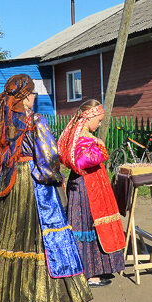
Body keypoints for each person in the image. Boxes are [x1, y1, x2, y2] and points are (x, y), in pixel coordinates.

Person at [0, 74, 91, 302]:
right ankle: (39, 298)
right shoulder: (36, 121)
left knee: (3, 236)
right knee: (37, 236)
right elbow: (48, 157)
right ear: (26, 98)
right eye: (33, 94)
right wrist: (54, 176)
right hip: (32, 183)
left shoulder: (2, 122)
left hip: (7, 181)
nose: (35, 97)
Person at [58, 99, 126, 287]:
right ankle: (86, 273)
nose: (100, 124)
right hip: (85, 185)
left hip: (88, 184)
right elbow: (80, 163)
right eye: (99, 120)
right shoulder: (82, 137)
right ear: (90, 117)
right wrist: (101, 147)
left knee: (89, 225)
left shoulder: (79, 134)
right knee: (85, 225)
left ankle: (89, 269)